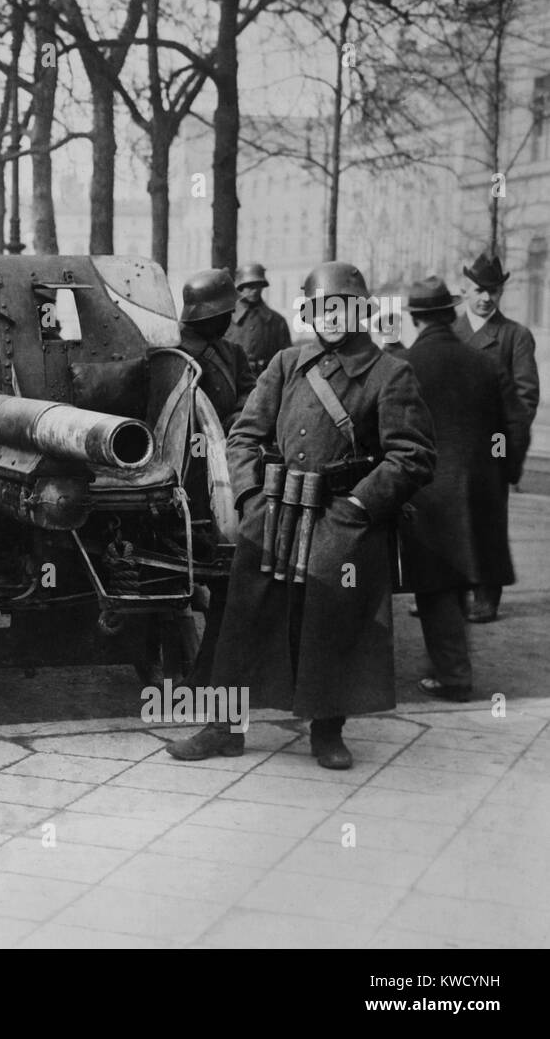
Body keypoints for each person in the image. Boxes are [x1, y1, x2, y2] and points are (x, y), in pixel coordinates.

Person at [167, 261, 435, 770]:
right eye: (320, 309)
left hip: (344, 520)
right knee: (244, 622)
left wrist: (359, 506)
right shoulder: (288, 364)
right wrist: (249, 499)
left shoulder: (391, 373)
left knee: (332, 626)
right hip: (276, 512)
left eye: (341, 307)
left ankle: (327, 730)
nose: (331, 317)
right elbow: (244, 436)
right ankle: (224, 728)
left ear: (361, 312)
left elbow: (413, 456)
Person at [398, 277, 527, 702]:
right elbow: (515, 426)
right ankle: (452, 670)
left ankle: (453, 676)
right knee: (460, 581)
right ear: (451, 313)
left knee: (436, 587)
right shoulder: (485, 363)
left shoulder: (406, 366)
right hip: (479, 491)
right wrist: (502, 469)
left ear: (416, 318)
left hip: (429, 494)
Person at [176, 268, 256, 688]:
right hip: (189, 478)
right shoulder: (173, 354)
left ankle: (206, 673)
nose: (229, 318)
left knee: (226, 580)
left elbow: (250, 396)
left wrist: (238, 421)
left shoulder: (231, 353)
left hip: (224, 470)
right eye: (224, 312)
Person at [453, 251, 539, 622]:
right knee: (449, 520)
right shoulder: (449, 333)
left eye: (493, 290)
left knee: (488, 521)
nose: (486, 298)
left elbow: (525, 397)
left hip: (491, 447)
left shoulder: (514, 336)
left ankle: (486, 595)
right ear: (464, 289)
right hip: (451, 446)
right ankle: (446, 596)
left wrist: (505, 449)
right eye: (478, 290)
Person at [227, 262, 291, 377]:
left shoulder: (276, 321)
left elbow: (287, 360)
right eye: (250, 286)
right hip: (233, 379)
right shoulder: (226, 320)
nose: (255, 290)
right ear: (240, 287)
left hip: (266, 380)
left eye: (258, 285)